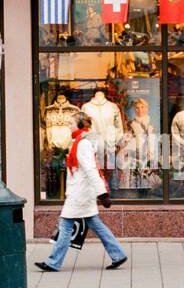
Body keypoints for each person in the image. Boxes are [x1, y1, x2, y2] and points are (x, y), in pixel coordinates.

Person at [35, 115, 127, 273]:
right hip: (82, 192)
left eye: (71, 123)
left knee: (65, 226)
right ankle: (118, 254)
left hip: (80, 194)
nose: (69, 126)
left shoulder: (82, 144)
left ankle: (53, 262)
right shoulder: (79, 142)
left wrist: (102, 193)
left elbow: (91, 170)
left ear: (79, 124)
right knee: (96, 224)